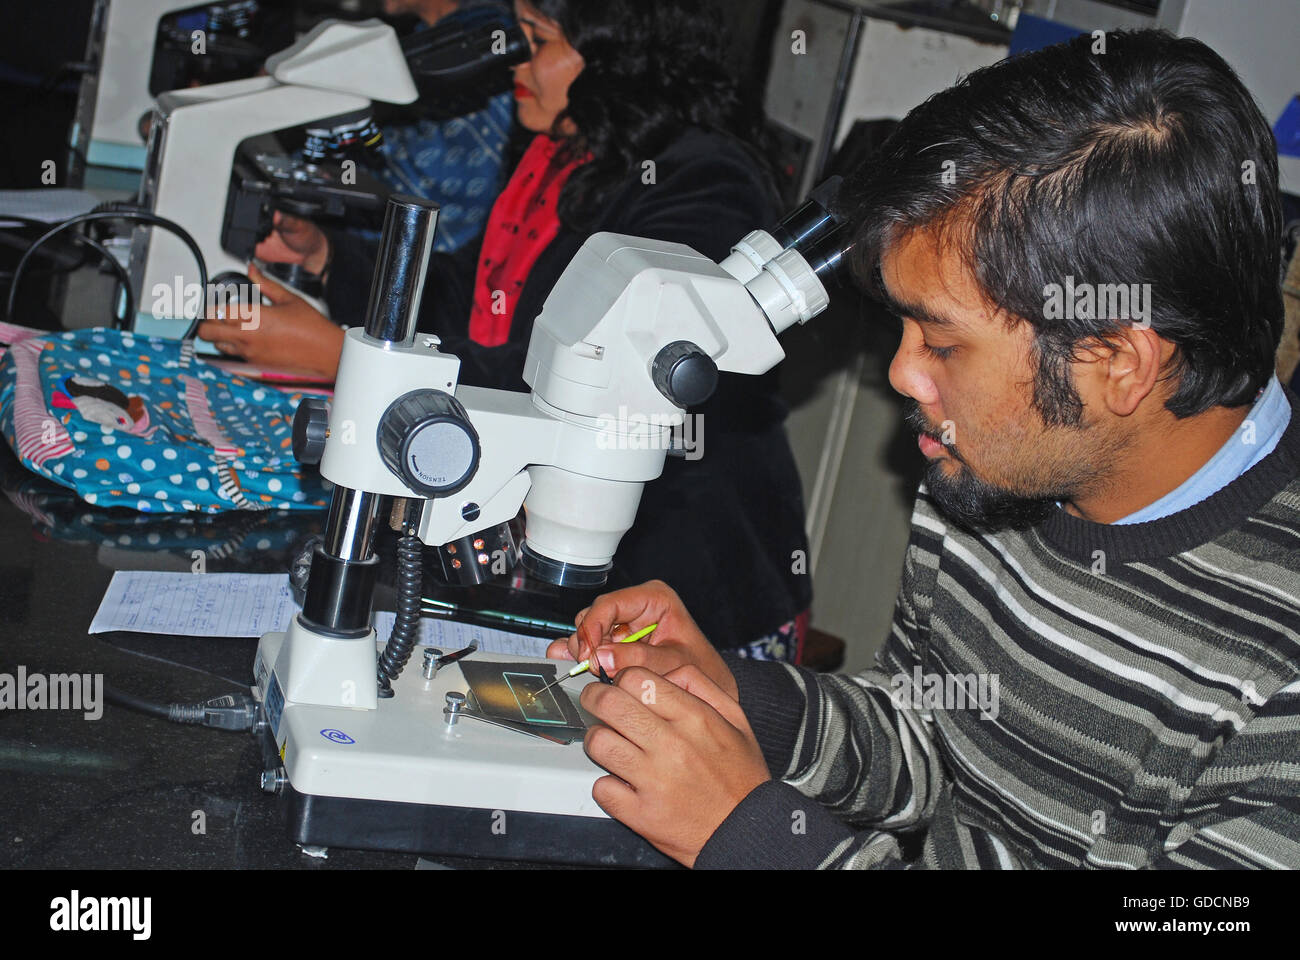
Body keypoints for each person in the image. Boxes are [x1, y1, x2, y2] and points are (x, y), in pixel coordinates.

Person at [546, 29, 1300, 869]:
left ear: (1116, 363)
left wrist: (753, 841)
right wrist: (741, 699)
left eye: (942, 344)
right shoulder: (991, 469)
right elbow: (925, 737)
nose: (903, 374)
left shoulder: (1279, 675)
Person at [201, 0, 813, 659]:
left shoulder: (705, 184)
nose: (514, 60)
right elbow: (465, 296)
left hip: (687, 590)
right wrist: (326, 254)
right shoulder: (563, 152)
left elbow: (595, 384)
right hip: (555, 555)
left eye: (539, 39)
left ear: (621, 54)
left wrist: (342, 360)